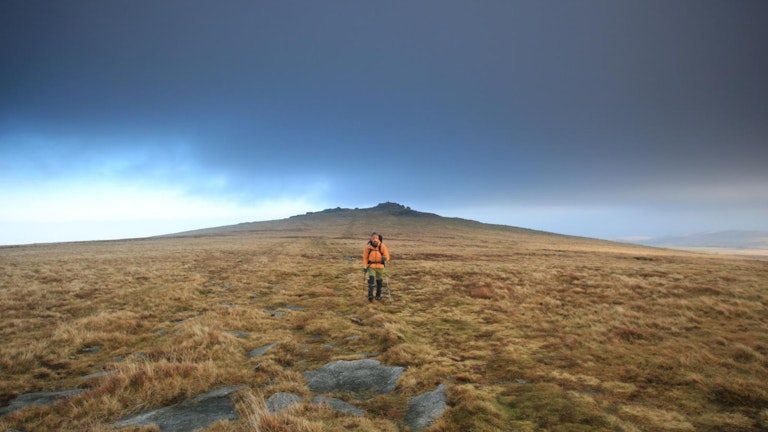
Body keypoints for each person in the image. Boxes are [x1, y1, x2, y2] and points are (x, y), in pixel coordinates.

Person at [363, 232, 390, 302]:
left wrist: (385, 258)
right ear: (371, 239)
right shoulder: (368, 247)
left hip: (380, 266)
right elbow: (365, 258)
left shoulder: (382, 246)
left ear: (379, 239)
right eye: (373, 238)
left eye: (376, 238)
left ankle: (378, 295)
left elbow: (387, 256)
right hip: (371, 266)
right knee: (371, 280)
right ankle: (370, 296)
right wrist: (365, 266)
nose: (375, 239)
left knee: (379, 281)